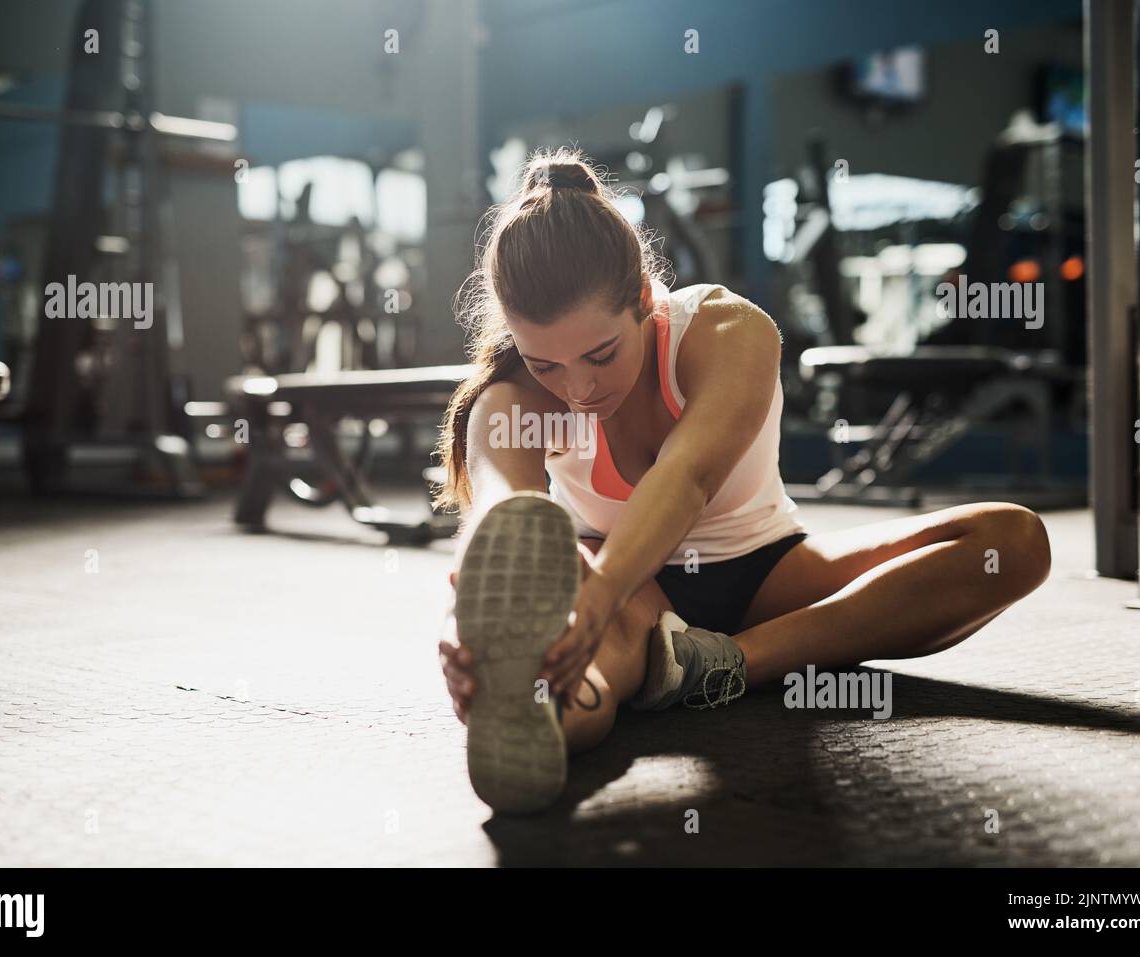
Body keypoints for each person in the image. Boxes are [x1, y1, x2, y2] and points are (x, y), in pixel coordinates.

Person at [434, 147, 1051, 814]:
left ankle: (719, 664)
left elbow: (688, 475)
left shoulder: (728, 331)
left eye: (600, 353)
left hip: (768, 578)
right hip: (634, 605)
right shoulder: (512, 398)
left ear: (643, 297)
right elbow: (500, 521)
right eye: (546, 364)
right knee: (561, 664)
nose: (577, 388)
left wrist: (606, 589)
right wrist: (472, 631)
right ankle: (544, 716)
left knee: (1012, 542)